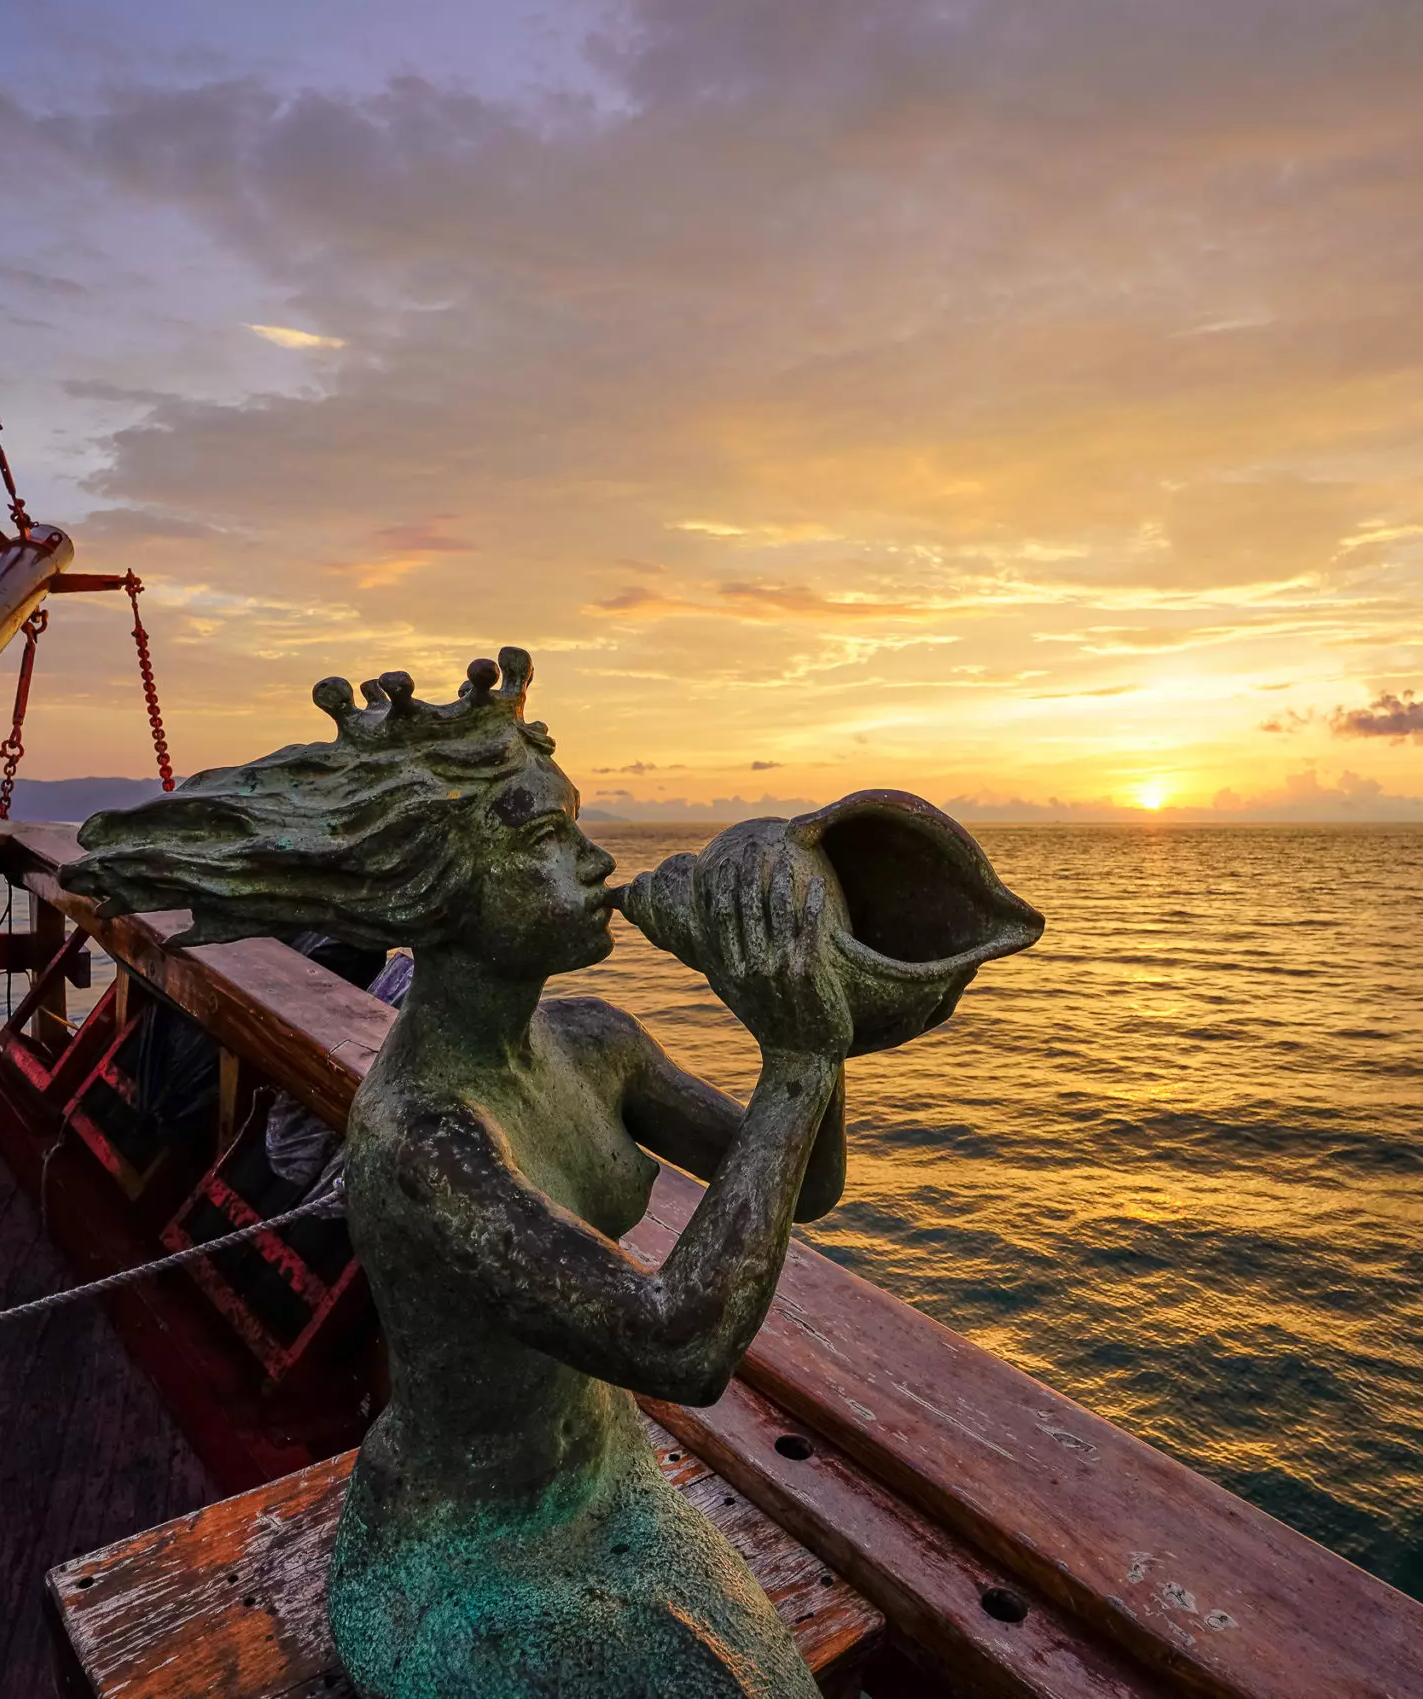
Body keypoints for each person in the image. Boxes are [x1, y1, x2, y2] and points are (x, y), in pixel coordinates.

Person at [60, 649, 844, 1698]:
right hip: (455, 1553)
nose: (595, 862)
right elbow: (680, 1344)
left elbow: (810, 1188)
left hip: (609, 1481)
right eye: (544, 838)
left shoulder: (596, 1043)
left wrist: (827, 1028)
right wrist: (794, 1063)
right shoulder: (429, 1135)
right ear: (433, 882)